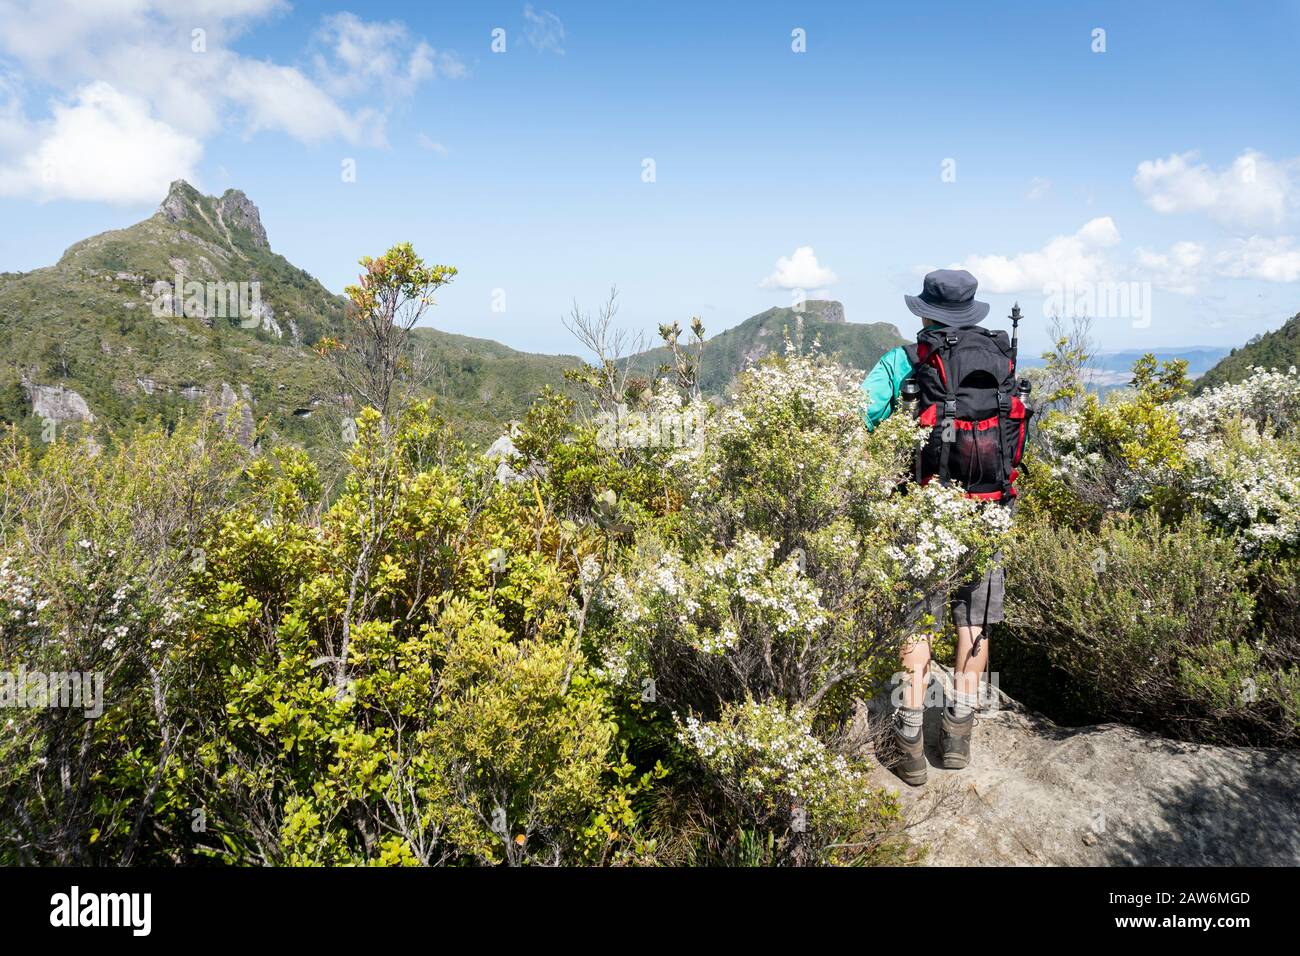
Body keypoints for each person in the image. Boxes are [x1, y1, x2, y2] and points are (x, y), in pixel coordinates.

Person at [860, 269, 1027, 787]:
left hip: (922, 507)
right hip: (988, 506)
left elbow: (858, 419)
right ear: (972, 312)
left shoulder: (902, 362)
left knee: (916, 618)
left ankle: (909, 742)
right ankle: (956, 738)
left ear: (925, 313)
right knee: (972, 619)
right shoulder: (1001, 360)